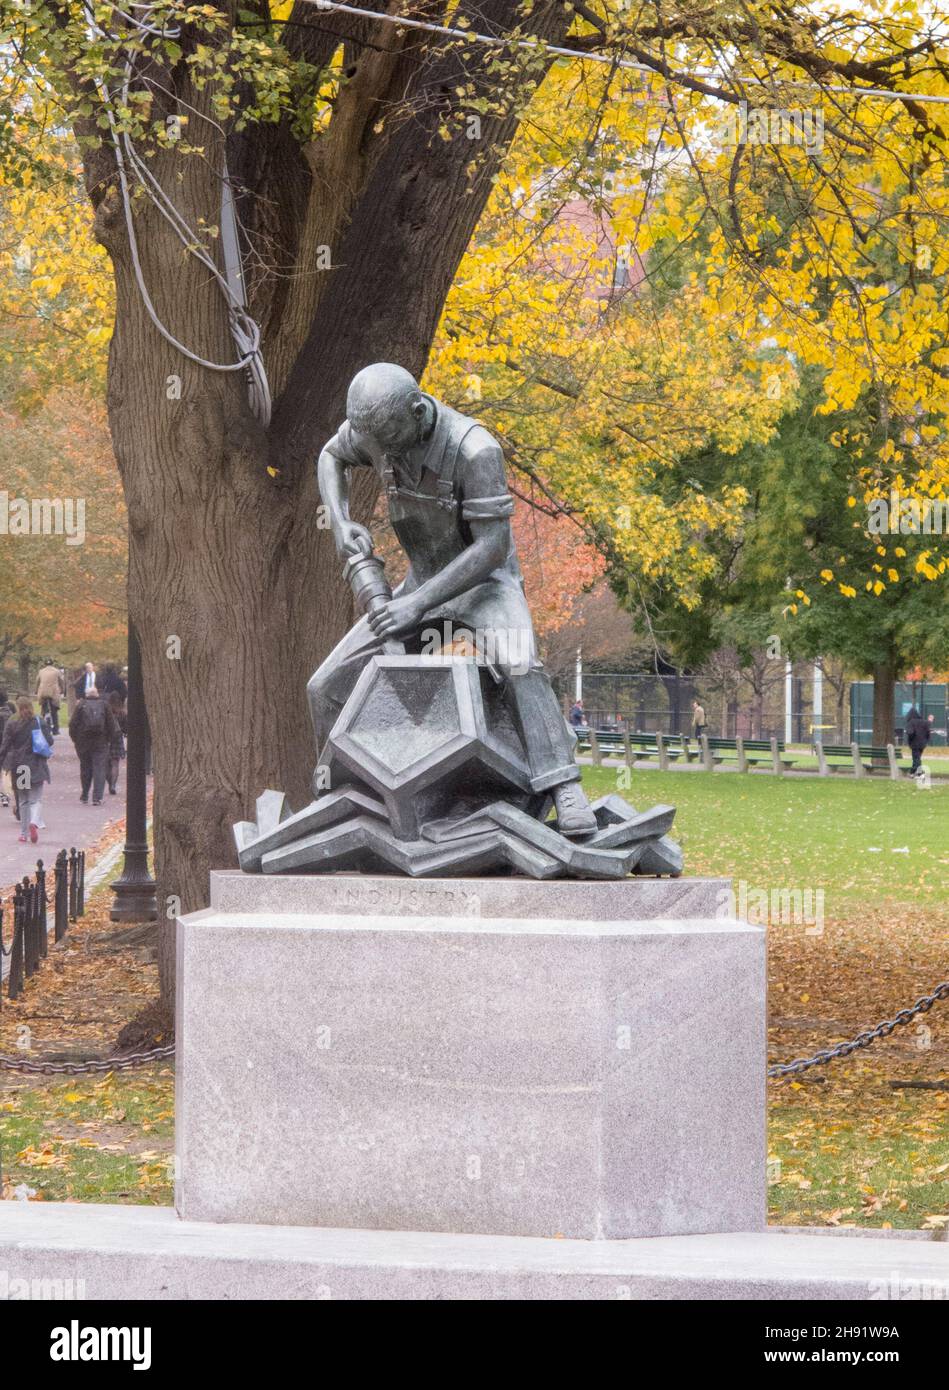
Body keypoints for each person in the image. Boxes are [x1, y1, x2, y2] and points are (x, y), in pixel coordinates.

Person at [309, 362, 598, 836]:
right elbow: (330, 455)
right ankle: (343, 792)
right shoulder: (377, 430)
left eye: (391, 446)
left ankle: (563, 785)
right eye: (375, 448)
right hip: (417, 588)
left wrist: (417, 606)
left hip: (484, 587)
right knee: (325, 686)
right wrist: (341, 522)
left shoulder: (475, 451)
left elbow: (491, 549)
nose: (382, 457)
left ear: (418, 412)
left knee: (521, 663)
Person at [0, 696, 52, 843]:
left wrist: (2, 762)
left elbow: (5, 745)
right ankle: (34, 823)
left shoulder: (12, 723)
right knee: (36, 799)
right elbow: (50, 740)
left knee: (23, 801)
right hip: (36, 764)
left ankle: (23, 833)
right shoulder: (38, 721)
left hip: (20, 765)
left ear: (17, 707)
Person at [69, 685, 117, 805]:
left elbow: (73, 724)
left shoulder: (80, 705)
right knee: (99, 768)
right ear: (97, 694)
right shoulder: (104, 705)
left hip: (83, 742)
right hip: (101, 742)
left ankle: (85, 794)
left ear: (86, 695)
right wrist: (109, 739)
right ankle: (97, 797)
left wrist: (75, 740)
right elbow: (111, 724)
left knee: (85, 767)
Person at [35, 658, 65, 735]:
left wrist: (36, 690)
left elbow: (37, 681)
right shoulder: (57, 671)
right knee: (54, 710)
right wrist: (62, 690)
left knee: (44, 709)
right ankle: (55, 729)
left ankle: (43, 727)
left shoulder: (41, 671)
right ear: (52, 664)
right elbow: (61, 681)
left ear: (45, 664)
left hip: (43, 693)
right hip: (53, 693)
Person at [107, 691, 127, 795]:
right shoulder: (121, 712)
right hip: (117, 739)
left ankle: (109, 781)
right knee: (115, 763)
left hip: (107, 739)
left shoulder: (107, 711)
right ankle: (113, 784)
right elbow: (125, 728)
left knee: (106, 763)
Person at [905, 705, 931, 776]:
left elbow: (910, 733)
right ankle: (912, 772)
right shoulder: (924, 722)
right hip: (922, 744)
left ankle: (919, 772)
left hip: (914, 743)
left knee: (916, 758)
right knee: (917, 758)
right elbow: (928, 733)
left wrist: (910, 739)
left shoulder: (911, 722)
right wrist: (926, 741)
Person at [0, 688, 16, 809]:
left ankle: (4, 795)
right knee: (7, 773)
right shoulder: (12, 715)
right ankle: (6, 795)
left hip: (4, 747)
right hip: (11, 749)